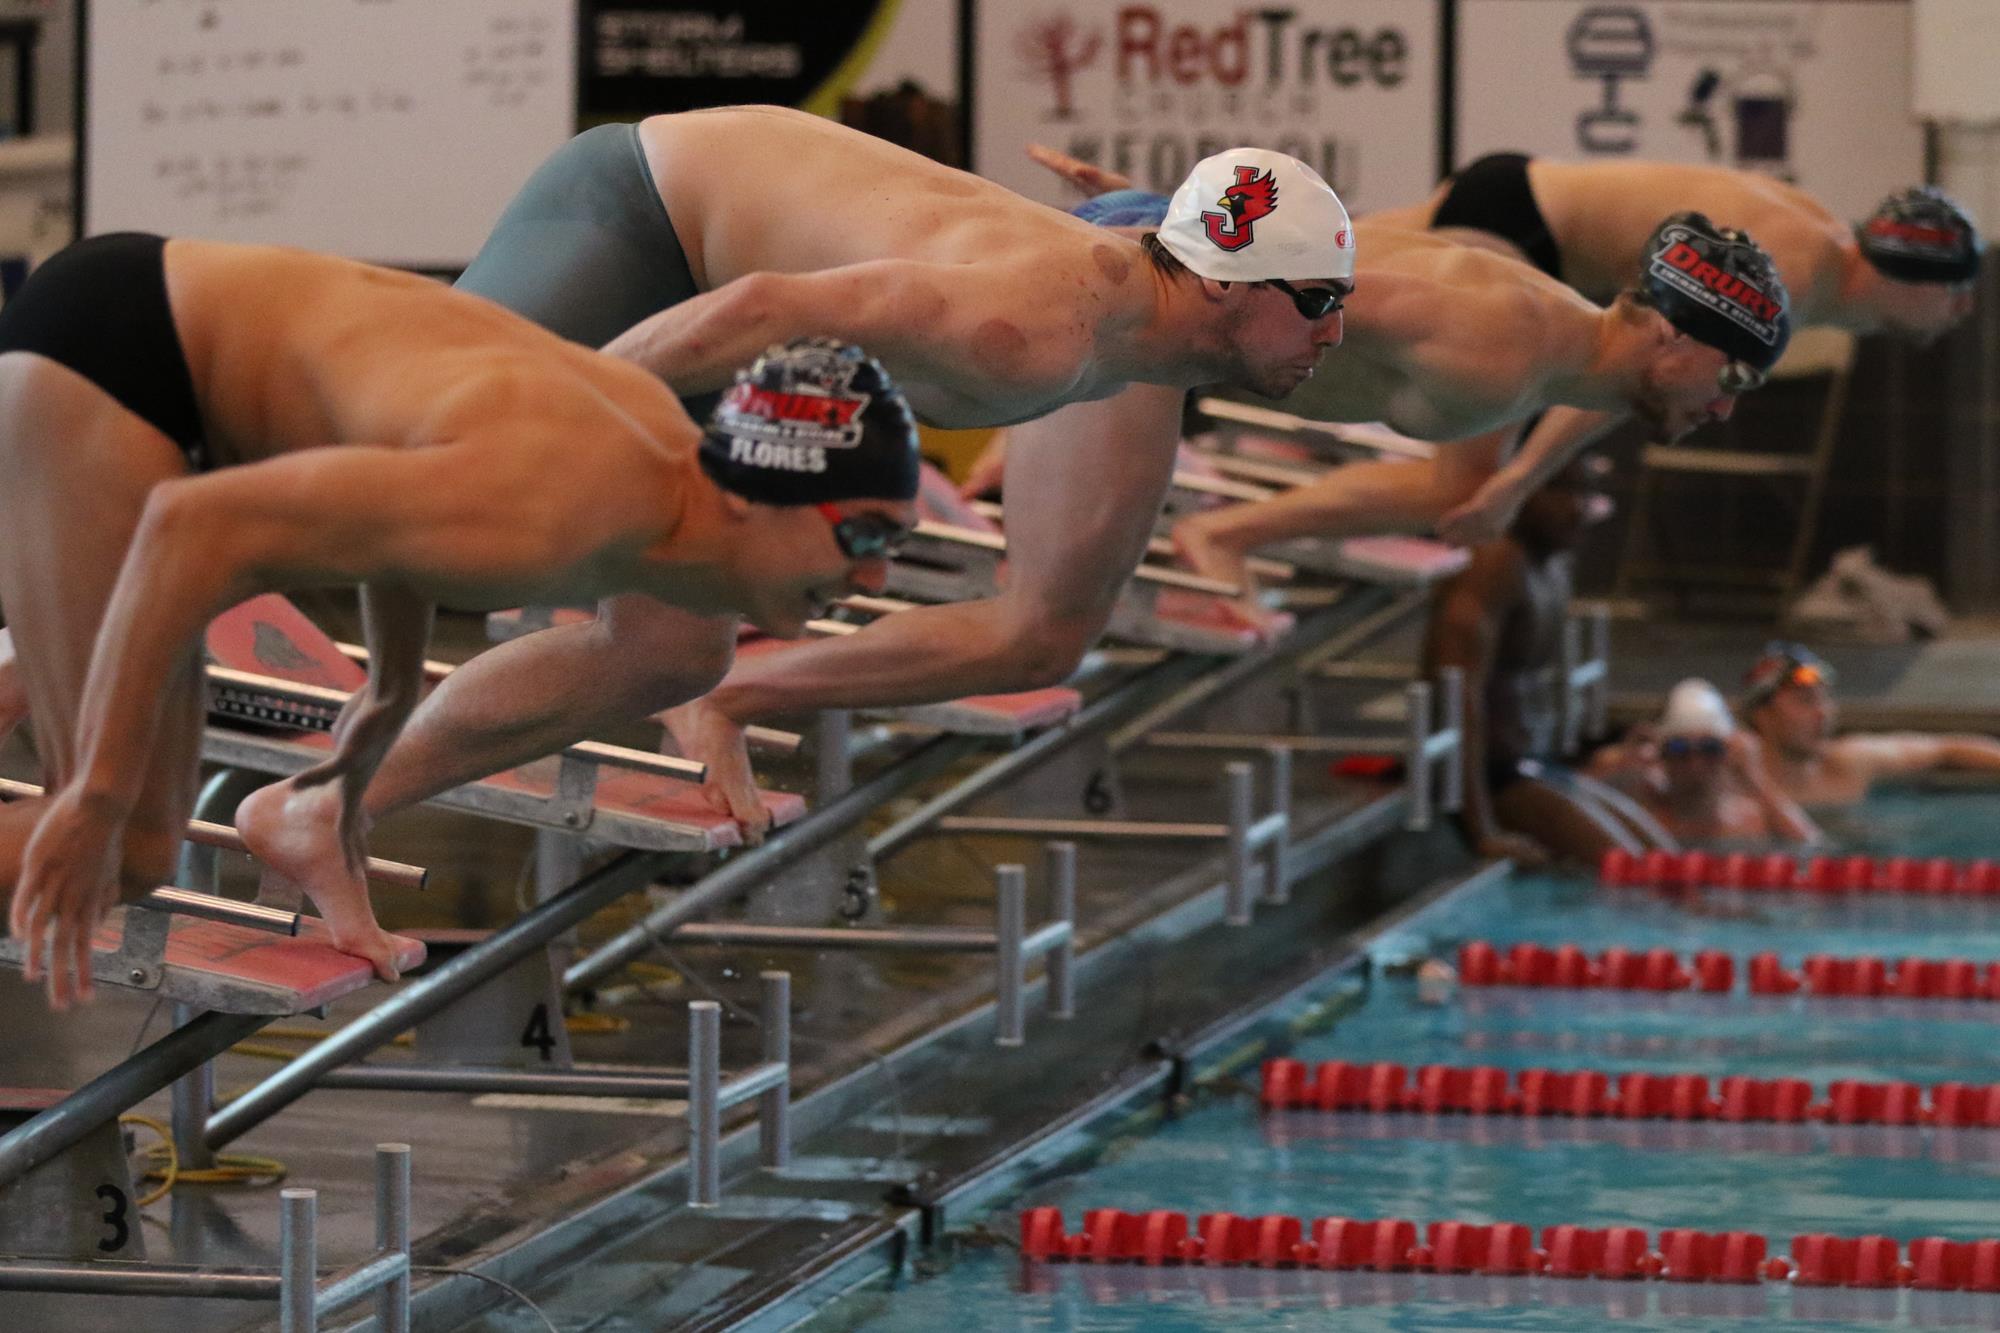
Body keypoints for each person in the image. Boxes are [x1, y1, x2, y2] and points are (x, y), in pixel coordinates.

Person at [228, 123, 1352, 858]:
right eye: (1314, 300)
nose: (1334, 330)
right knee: (417, 486)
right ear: (1226, 286)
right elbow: (761, 305)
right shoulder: (1032, 334)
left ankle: (320, 809)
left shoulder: (1131, 322)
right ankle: (111, 561)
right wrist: (566, 414)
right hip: (646, 223)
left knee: (673, 654)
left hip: (724, 305)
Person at [0, 230, 919, 1007]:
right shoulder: (565, 508)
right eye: (865, 533)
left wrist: (392, 691)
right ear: (763, 494)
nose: (874, 574)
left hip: (149, 336)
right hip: (121, 362)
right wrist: (98, 790)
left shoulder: (652, 466)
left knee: (125, 829)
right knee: (120, 838)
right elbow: (193, 529)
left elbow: (403, 502)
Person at [1013, 150, 1791, 628]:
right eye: (1731, 378)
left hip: (1151, 327)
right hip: (1133, 328)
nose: (1725, 406)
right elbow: (1280, 281)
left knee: (1042, 638)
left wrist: (1518, 483)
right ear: (1672, 336)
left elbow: (1606, 405)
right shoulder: (1502, 335)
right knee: (1042, 641)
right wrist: (1135, 221)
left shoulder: (1574, 354)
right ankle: (1216, 535)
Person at [1365, 159, 1983, 542]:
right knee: (1464, 488)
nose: (1963, 311)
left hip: (1518, 197)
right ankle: (1260, 536)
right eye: (1958, 291)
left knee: (1323, 248)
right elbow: (1636, 378)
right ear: (1911, 276)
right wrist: (1523, 480)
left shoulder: (1821, 246)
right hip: (1526, 230)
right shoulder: (1789, 278)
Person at [1422, 457, 1676, 867]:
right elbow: (1455, 697)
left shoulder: (1553, 563)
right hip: (1495, 778)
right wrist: (1483, 830)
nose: (1578, 507)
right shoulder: (1492, 564)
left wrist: (1604, 743)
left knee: (1664, 861)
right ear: (1519, 490)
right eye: (1561, 490)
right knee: (1630, 872)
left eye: (1587, 492)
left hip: (1536, 763)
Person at [1741, 643, 2000, 806]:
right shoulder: (1731, 786)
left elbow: (1947, 748)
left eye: (1824, 700)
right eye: (1805, 701)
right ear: (1762, 715)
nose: (1822, 712)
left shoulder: (1848, 764)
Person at [1592, 679, 1820, 846]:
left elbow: (1811, 844)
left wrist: (1753, 775)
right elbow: (1564, 797)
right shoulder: (1644, 811)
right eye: (1679, 749)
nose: (1695, 763)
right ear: (1662, 756)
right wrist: (1620, 764)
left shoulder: (1750, 820)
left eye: (1710, 749)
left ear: (1727, 755)